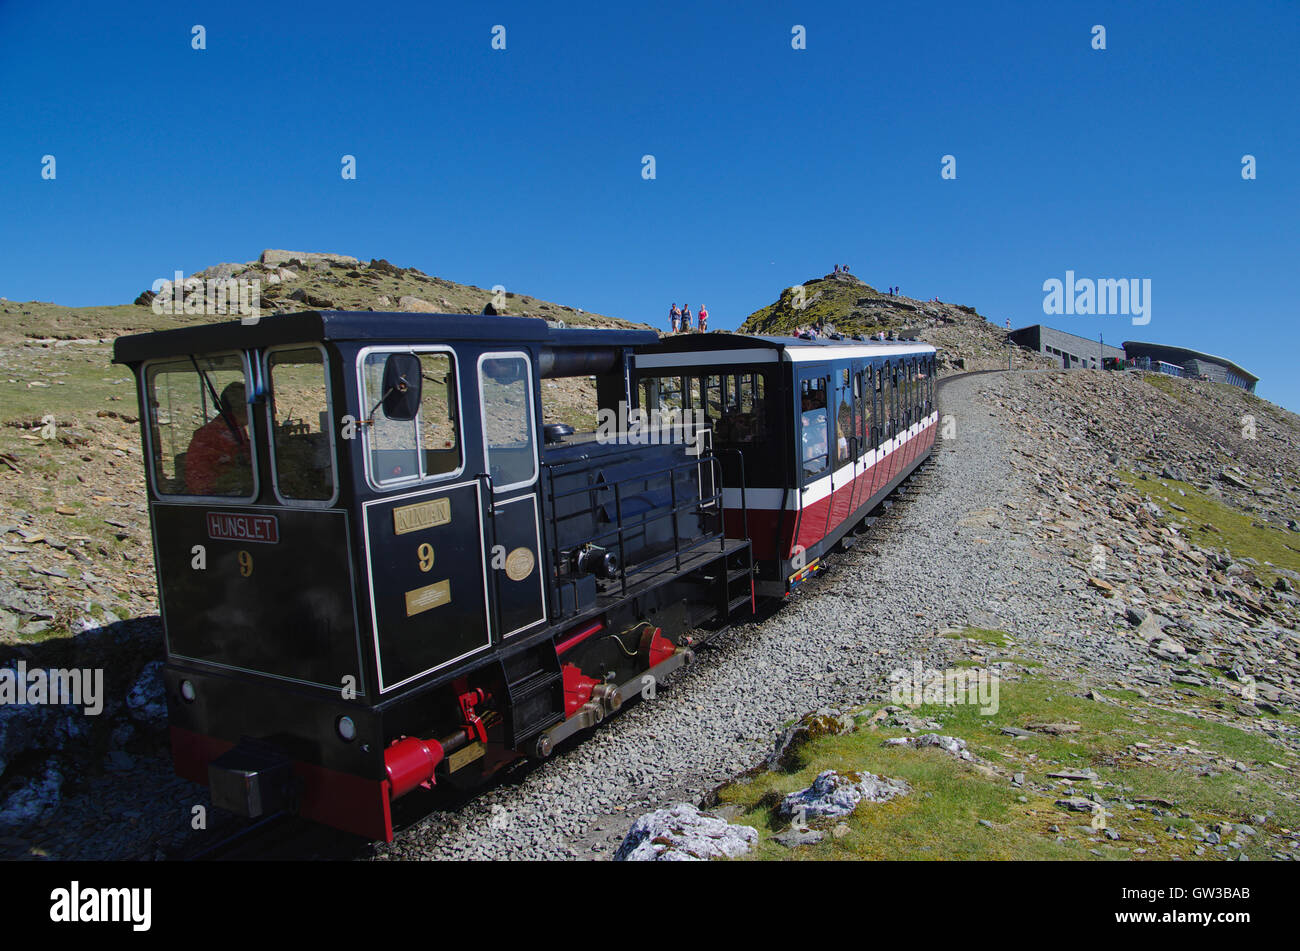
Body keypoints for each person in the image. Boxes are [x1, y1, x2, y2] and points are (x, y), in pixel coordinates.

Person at [185, 381, 251, 495]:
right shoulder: (214, 435)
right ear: (242, 408)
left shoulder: (235, 428)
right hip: (216, 496)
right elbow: (236, 468)